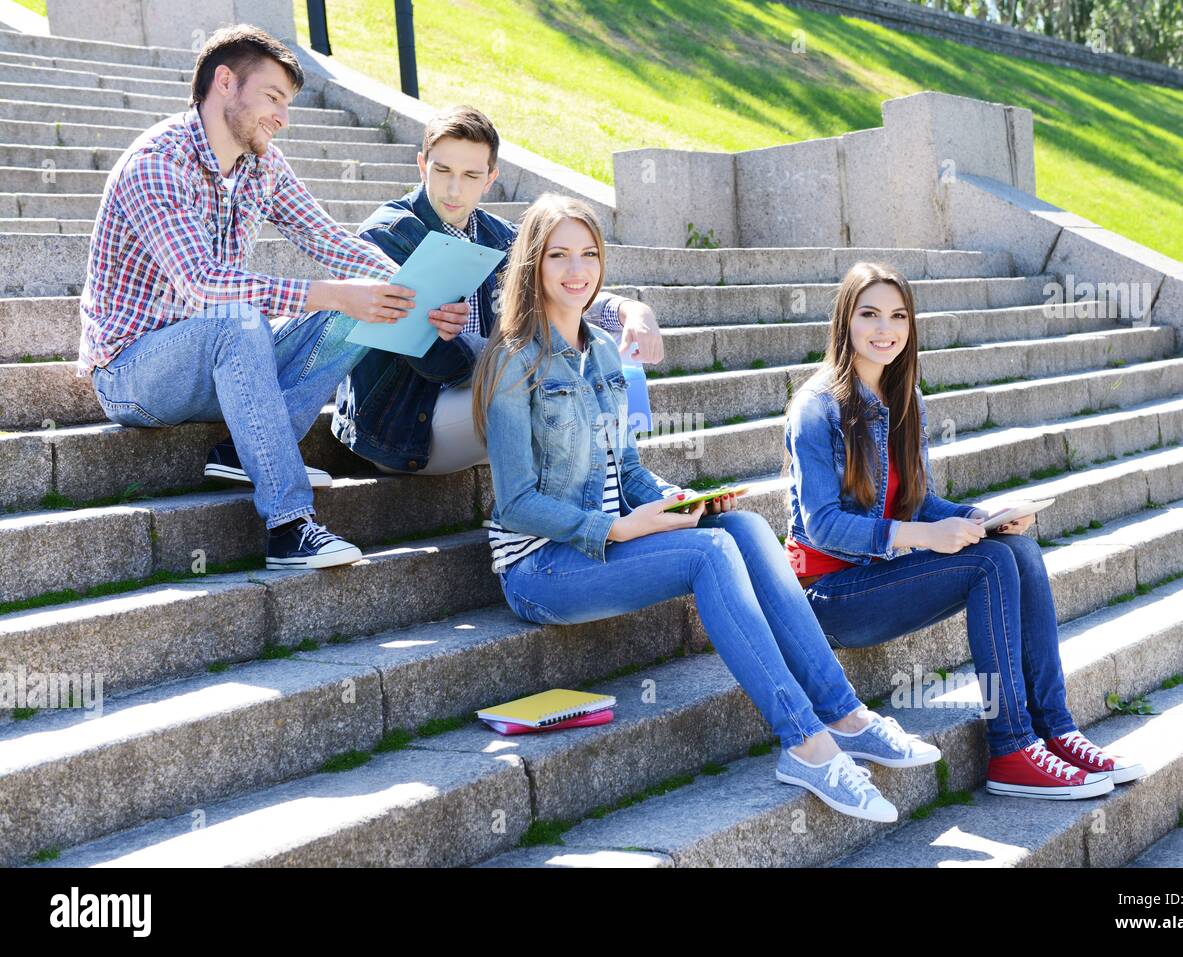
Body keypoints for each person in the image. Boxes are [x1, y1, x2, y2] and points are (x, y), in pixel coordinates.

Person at [471, 194, 942, 822]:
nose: (577, 269)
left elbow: (627, 469)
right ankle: (806, 743)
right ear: (532, 264)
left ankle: (847, 714)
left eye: (588, 254)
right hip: (543, 569)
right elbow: (517, 503)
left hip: (612, 540)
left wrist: (672, 499)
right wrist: (614, 525)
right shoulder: (511, 362)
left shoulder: (605, 354)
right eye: (559, 255)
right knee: (711, 552)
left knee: (740, 525)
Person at [78, 25, 462, 569]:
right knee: (242, 320)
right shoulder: (157, 165)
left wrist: (416, 295)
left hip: (224, 359)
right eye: (273, 98)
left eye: (288, 104)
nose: (282, 117)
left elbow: (329, 240)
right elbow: (204, 285)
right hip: (135, 373)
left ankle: (246, 450)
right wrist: (327, 293)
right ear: (225, 82)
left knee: (362, 312)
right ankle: (288, 526)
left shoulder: (263, 163)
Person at [783, 261, 1146, 799]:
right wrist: (925, 537)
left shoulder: (904, 399)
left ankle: (1057, 729)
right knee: (989, 562)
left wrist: (980, 518)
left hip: (881, 577)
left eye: (898, 316)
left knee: (1014, 547)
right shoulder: (816, 410)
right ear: (845, 322)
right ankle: (1012, 748)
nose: (885, 329)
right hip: (830, 594)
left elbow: (919, 503)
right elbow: (825, 525)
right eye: (870, 315)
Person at [332, 105, 664, 476]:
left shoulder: (499, 236)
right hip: (404, 425)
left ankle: (627, 497)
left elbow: (560, 293)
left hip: (488, 395)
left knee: (594, 360)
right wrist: (517, 357)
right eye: (442, 171)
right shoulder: (388, 236)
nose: (454, 189)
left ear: (491, 178)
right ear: (422, 165)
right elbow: (436, 363)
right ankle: (572, 519)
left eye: (471, 175)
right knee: (549, 388)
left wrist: (626, 311)